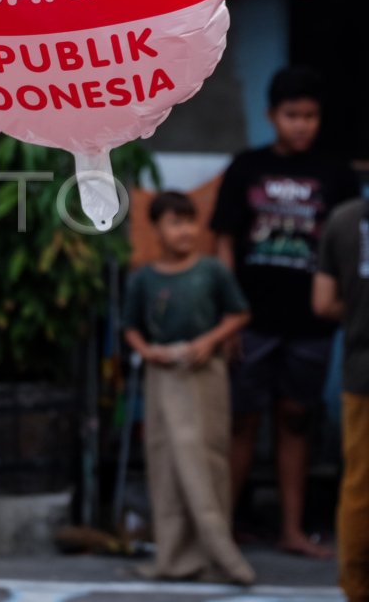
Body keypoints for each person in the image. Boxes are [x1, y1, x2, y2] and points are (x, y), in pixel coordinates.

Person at [211, 66, 360, 557]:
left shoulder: (337, 175)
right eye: (292, 115)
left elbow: (349, 249)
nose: (302, 125)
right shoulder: (246, 167)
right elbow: (223, 242)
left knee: (297, 419)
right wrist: (228, 315)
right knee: (242, 421)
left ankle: (291, 530)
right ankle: (220, 532)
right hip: (250, 320)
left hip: (310, 323)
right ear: (271, 115)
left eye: (310, 116)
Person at [124, 192, 255, 584]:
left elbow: (239, 314)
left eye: (190, 222)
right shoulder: (143, 278)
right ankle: (175, 557)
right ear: (156, 229)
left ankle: (217, 553)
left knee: (206, 460)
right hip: (162, 375)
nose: (185, 231)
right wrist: (147, 351)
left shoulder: (212, 271)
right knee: (166, 462)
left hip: (204, 372)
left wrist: (207, 342)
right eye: (175, 223)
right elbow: (131, 327)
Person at [313, 194, 369, 600]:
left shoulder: (344, 219)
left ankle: (356, 586)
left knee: (359, 485)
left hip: (361, 370)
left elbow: (322, 303)